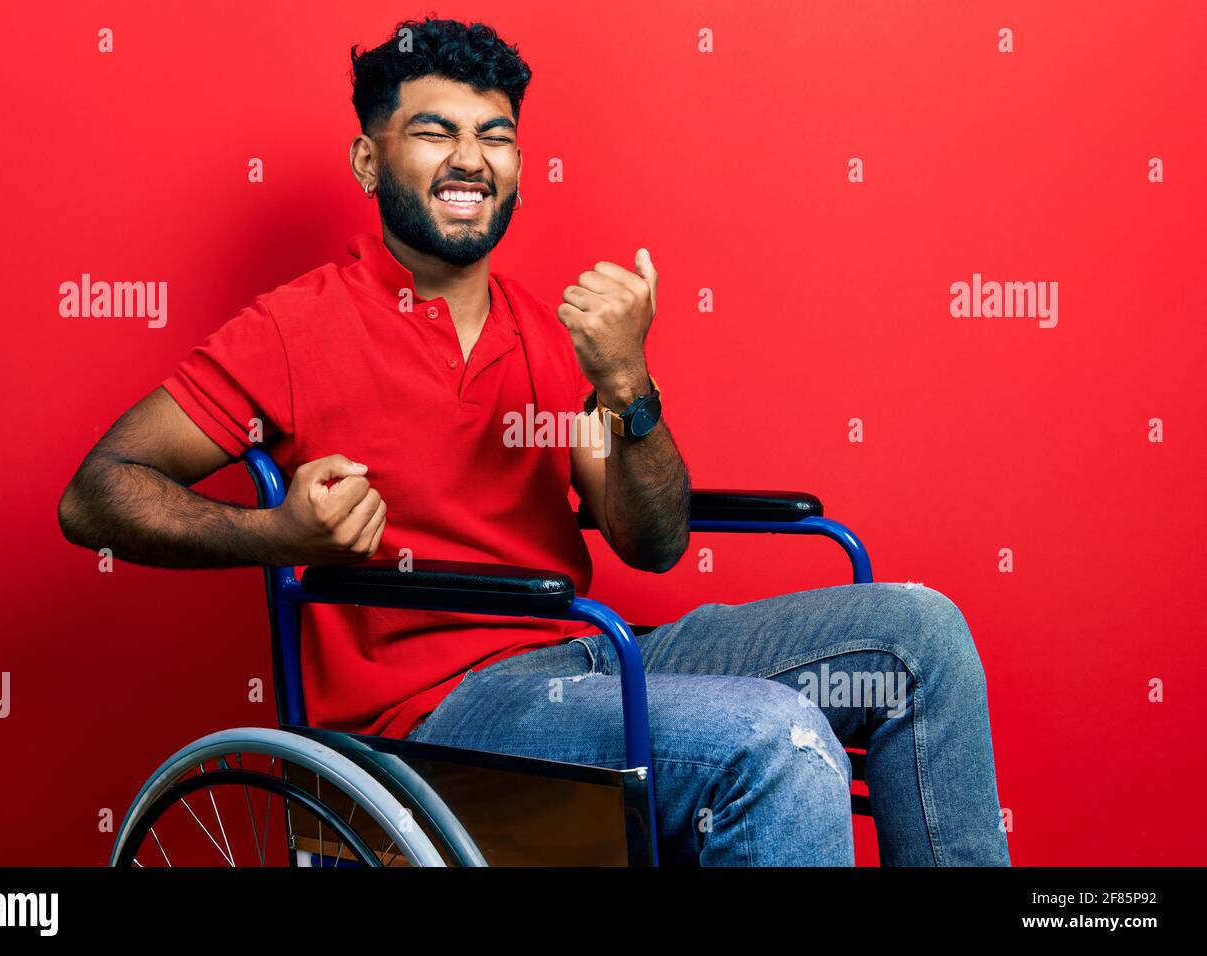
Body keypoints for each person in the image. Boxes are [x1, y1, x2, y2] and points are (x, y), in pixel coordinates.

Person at [58, 16, 1009, 866]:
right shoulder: (294, 328)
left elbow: (654, 542)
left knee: (920, 637)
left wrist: (628, 383)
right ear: (366, 161)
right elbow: (96, 491)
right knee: (775, 737)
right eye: (434, 131)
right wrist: (276, 539)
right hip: (440, 718)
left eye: (495, 136)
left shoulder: (549, 336)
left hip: (594, 660)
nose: (469, 157)